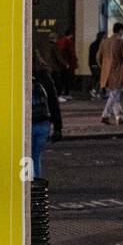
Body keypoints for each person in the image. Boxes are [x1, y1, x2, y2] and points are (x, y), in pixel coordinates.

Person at [31, 50, 63, 178]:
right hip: (43, 123)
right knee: (35, 157)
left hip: (26, 123)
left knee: (25, 159)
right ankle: (36, 187)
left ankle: (27, 190)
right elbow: (53, 102)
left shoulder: (17, 73)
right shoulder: (44, 75)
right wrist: (58, 127)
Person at [97, 22, 123, 126]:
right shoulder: (121, 42)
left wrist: (103, 66)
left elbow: (98, 57)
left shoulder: (104, 42)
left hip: (106, 72)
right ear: (120, 30)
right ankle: (105, 115)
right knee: (114, 94)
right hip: (117, 71)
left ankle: (120, 117)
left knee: (114, 95)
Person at [56, 29, 78, 100]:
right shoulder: (66, 41)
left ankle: (65, 93)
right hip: (68, 63)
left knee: (64, 79)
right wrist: (66, 63)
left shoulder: (62, 41)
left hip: (66, 63)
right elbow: (70, 53)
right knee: (67, 79)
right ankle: (66, 93)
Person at [87, 30, 106, 100]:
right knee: (99, 78)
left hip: (93, 63)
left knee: (96, 78)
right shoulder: (97, 45)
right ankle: (94, 91)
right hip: (95, 64)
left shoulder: (94, 44)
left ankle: (95, 92)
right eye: (104, 37)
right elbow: (97, 56)